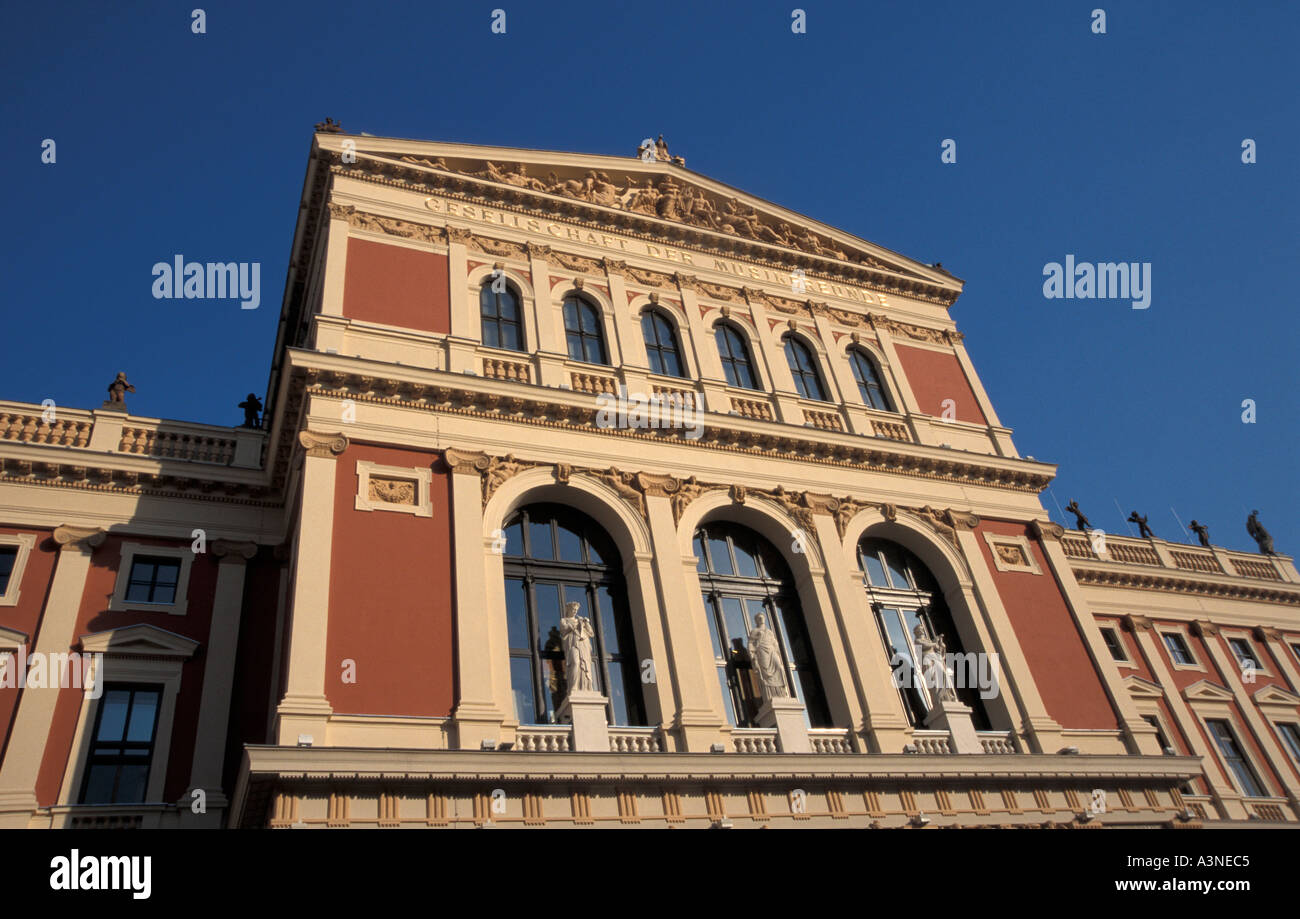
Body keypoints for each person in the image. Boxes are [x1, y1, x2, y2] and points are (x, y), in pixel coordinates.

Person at [747, 613, 788, 701]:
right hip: (762, 652)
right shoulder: (754, 631)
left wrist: (778, 652)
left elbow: (775, 643)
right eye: (759, 618)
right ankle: (770, 695)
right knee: (766, 673)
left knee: (779, 668)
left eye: (762, 618)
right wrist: (752, 655)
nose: (761, 619)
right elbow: (750, 643)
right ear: (756, 620)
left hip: (772, 651)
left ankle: (781, 693)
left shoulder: (769, 632)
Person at [558, 601, 595, 693]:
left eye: (576, 610)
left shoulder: (580, 620)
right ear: (569, 609)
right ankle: (573, 686)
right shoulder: (564, 620)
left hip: (583, 643)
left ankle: (586, 687)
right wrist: (575, 625)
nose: (575, 611)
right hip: (573, 644)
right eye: (573, 609)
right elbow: (563, 631)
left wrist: (586, 623)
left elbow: (591, 633)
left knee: (585, 664)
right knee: (575, 662)